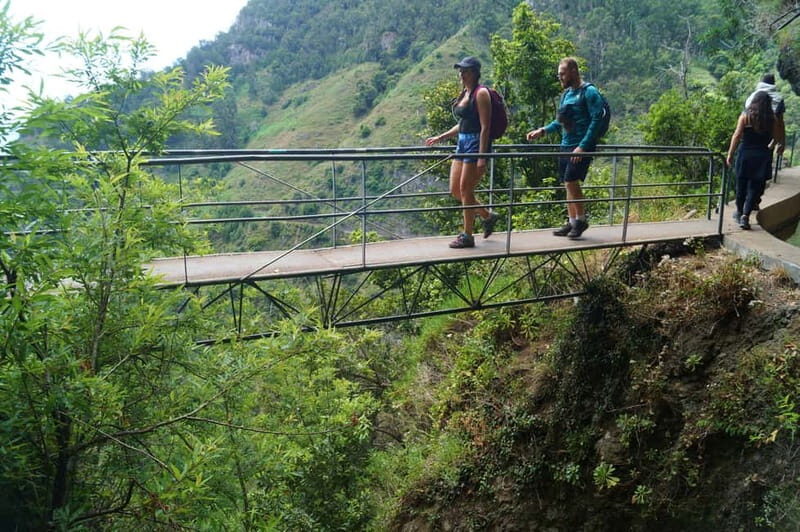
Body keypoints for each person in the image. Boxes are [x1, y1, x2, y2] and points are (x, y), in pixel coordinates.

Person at [526, 57, 604, 239]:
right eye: (559, 74)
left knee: (571, 181)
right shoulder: (566, 95)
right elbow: (560, 121)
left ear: (574, 71)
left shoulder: (590, 92)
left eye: (562, 73)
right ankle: (572, 222)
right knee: (566, 184)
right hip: (565, 146)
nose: (559, 77)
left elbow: (597, 120)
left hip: (580, 147)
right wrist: (543, 131)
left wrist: (583, 147)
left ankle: (581, 220)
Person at [425, 56, 499, 249]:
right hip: (462, 143)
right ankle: (487, 215)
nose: (461, 74)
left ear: (474, 72)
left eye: (465, 71)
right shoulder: (465, 93)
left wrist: (482, 157)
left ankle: (467, 235)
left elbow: (485, 127)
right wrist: (441, 137)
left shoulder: (481, 93)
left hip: (476, 145)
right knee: (456, 190)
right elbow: (463, 124)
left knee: (466, 190)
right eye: (460, 71)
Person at [726, 90, 785, 230]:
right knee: (754, 187)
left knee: (741, 185)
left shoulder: (745, 116)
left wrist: (730, 154)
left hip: (745, 154)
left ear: (754, 102)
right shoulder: (773, 120)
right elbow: (777, 138)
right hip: (762, 156)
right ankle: (745, 215)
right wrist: (769, 147)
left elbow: (737, 135)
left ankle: (739, 211)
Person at [744, 74, 786, 209]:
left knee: (746, 172)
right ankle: (754, 199)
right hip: (767, 142)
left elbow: (744, 117)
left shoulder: (753, 97)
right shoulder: (778, 99)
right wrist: (780, 142)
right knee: (761, 174)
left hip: (749, 141)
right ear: (774, 83)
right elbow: (780, 123)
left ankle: (746, 201)